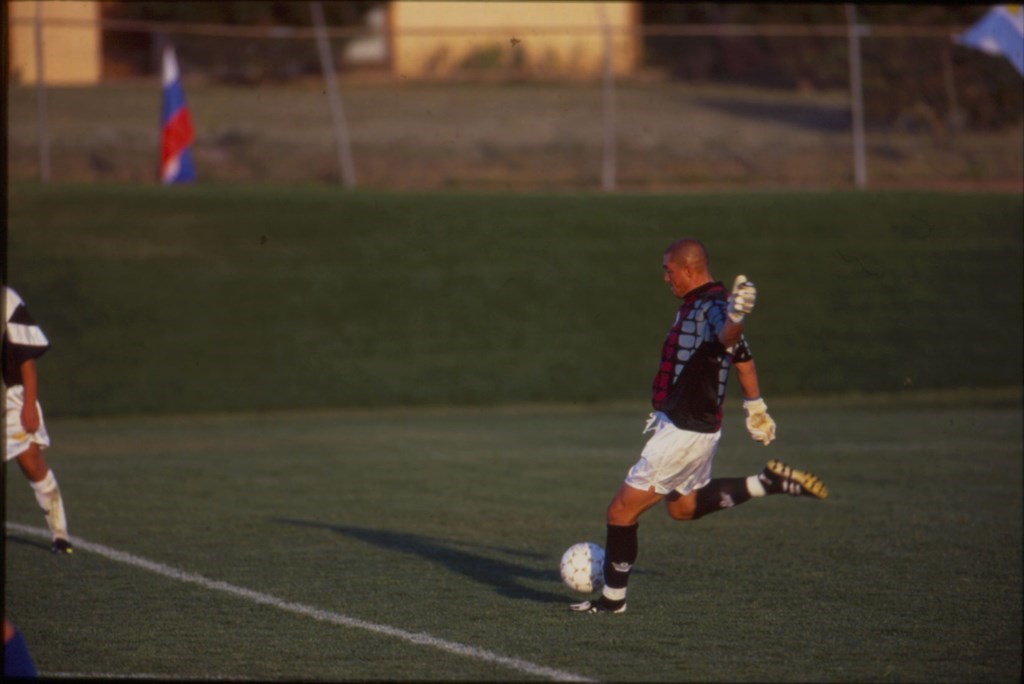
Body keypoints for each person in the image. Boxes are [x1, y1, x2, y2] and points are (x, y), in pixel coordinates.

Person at [571, 239, 827, 614]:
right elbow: (742, 357)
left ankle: (612, 601)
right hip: (692, 427)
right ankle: (766, 482)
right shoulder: (704, 302)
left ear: (689, 269)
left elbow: (729, 337)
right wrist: (755, 406)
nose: (665, 278)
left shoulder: (712, 305)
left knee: (620, 512)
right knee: (682, 507)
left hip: (684, 431)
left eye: (668, 270)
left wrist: (737, 319)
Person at [3, 286, 72, 554]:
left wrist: (29, 404)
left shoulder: (6, 299)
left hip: (12, 398)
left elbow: (26, 359)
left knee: (30, 460)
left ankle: (60, 535)